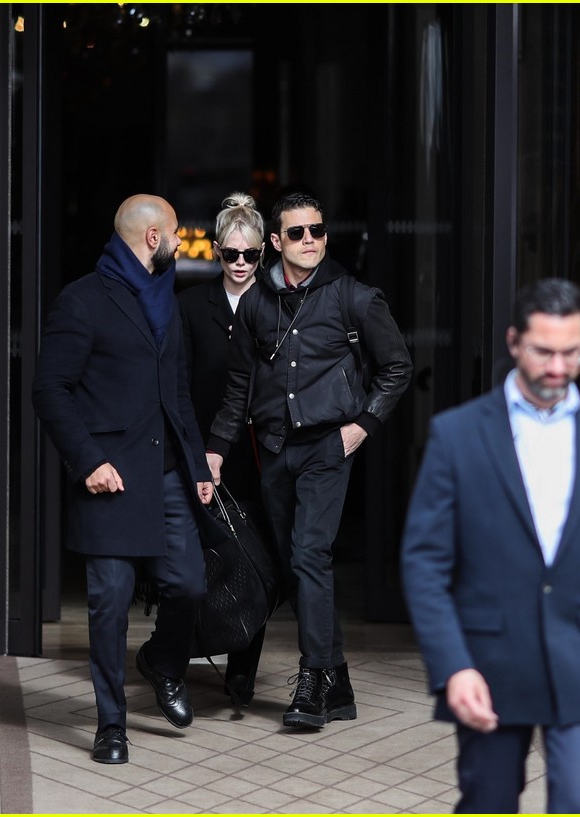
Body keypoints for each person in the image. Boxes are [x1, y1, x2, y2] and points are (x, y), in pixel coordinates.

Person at [399, 278, 580, 812]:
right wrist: (453, 665)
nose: (557, 367)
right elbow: (424, 563)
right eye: (543, 351)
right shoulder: (457, 435)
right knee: (488, 800)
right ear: (514, 342)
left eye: (573, 353)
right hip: (490, 661)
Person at [205, 191, 413, 728]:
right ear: (276, 241)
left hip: (328, 447)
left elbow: (397, 367)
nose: (309, 240)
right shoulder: (256, 303)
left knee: (309, 556)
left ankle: (312, 683)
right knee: (294, 567)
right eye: (297, 233)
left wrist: (360, 428)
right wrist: (216, 450)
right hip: (275, 449)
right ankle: (338, 681)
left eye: (317, 230)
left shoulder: (353, 297)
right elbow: (238, 387)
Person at [33, 194, 215, 766]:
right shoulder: (82, 300)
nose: (182, 245)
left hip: (167, 474)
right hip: (109, 478)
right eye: (177, 236)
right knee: (109, 607)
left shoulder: (168, 301)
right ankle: (111, 725)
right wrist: (88, 461)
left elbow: (177, 392)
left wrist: (197, 464)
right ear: (153, 238)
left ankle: (163, 662)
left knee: (189, 585)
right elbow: (49, 390)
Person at [177, 192, 270, 705]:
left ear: (263, 253)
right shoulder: (192, 306)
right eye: (230, 253)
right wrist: (196, 454)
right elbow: (181, 385)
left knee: (260, 559)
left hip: (261, 454)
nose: (239, 263)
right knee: (205, 558)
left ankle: (243, 671)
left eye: (249, 254)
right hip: (207, 451)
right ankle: (181, 654)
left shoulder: (279, 306)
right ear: (216, 251)